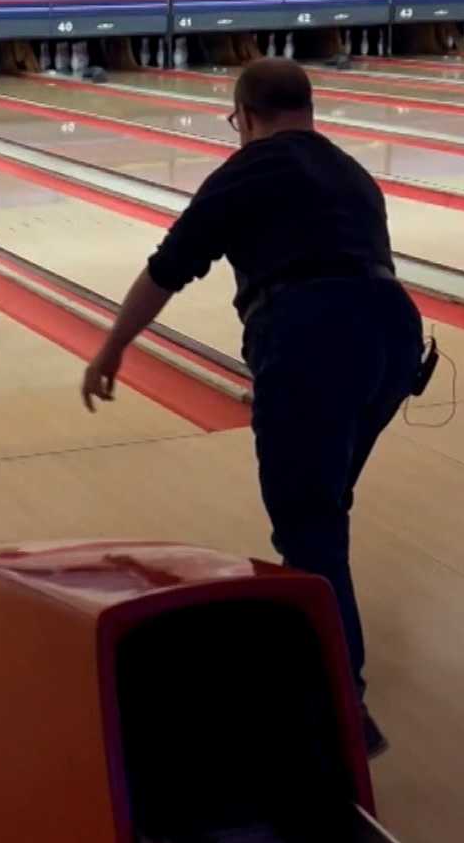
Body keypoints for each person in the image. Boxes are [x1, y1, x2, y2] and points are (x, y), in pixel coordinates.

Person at [80, 58, 423, 758]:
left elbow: (168, 266)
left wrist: (112, 347)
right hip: (394, 338)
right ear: (309, 108)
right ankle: (320, 660)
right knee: (323, 508)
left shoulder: (248, 169)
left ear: (243, 116)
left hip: (308, 334)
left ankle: (340, 708)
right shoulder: (352, 173)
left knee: (311, 527)